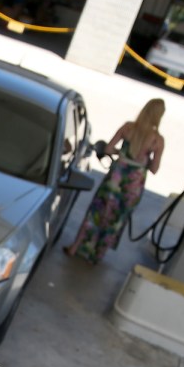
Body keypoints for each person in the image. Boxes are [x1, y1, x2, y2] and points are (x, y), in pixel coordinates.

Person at [64, 98, 166, 264]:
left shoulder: (128, 127)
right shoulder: (157, 141)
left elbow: (108, 149)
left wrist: (122, 153)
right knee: (115, 220)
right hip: (132, 185)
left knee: (96, 211)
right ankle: (96, 256)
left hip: (115, 178)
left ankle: (75, 247)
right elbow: (154, 169)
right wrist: (144, 160)